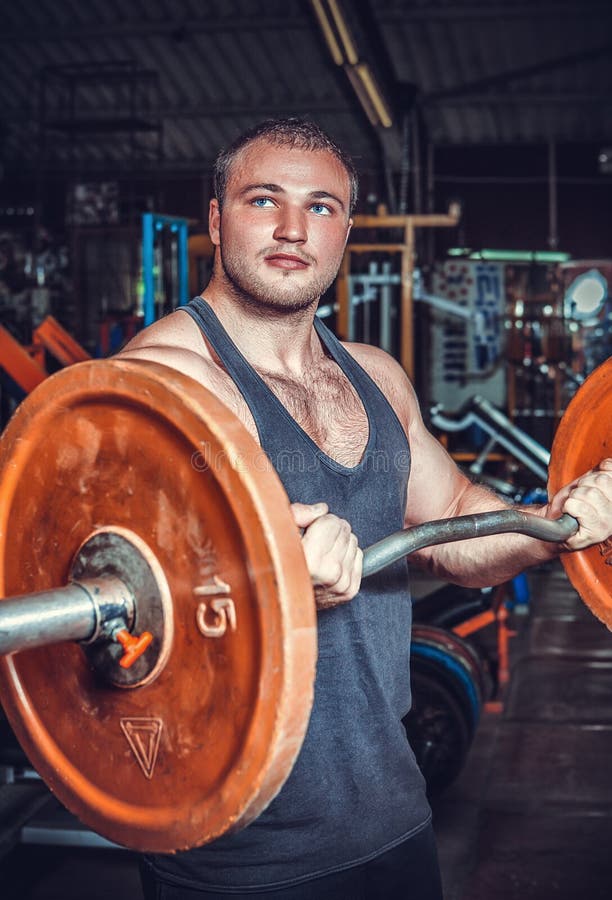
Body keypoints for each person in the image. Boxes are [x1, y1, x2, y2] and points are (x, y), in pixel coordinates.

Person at [119, 118, 612, 899]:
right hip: (236, 853)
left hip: (393, 816)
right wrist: (266, 568)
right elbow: (127, 602)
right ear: (215, 219)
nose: (291, 229)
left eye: (320, 207)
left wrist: (558, 525)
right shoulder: (160, 384)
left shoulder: (376, 377)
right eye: (263, 200)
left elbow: (453, 518)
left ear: (346, 230)